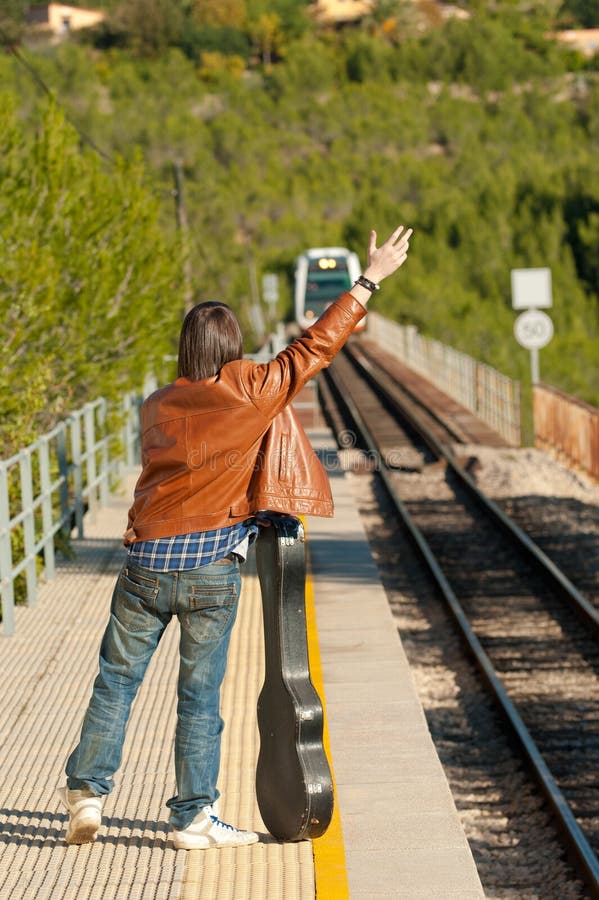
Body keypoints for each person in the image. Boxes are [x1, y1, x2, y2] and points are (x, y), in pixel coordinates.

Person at [58, 224, 413, 850]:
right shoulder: (250, 389)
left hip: (144, 562)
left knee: (115, 682)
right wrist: (368, 278)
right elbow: (315, 348)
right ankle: (192, 818)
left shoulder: (157, 404)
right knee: (198, 697)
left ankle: (86, 795)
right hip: (209, 568)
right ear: (233, 347)